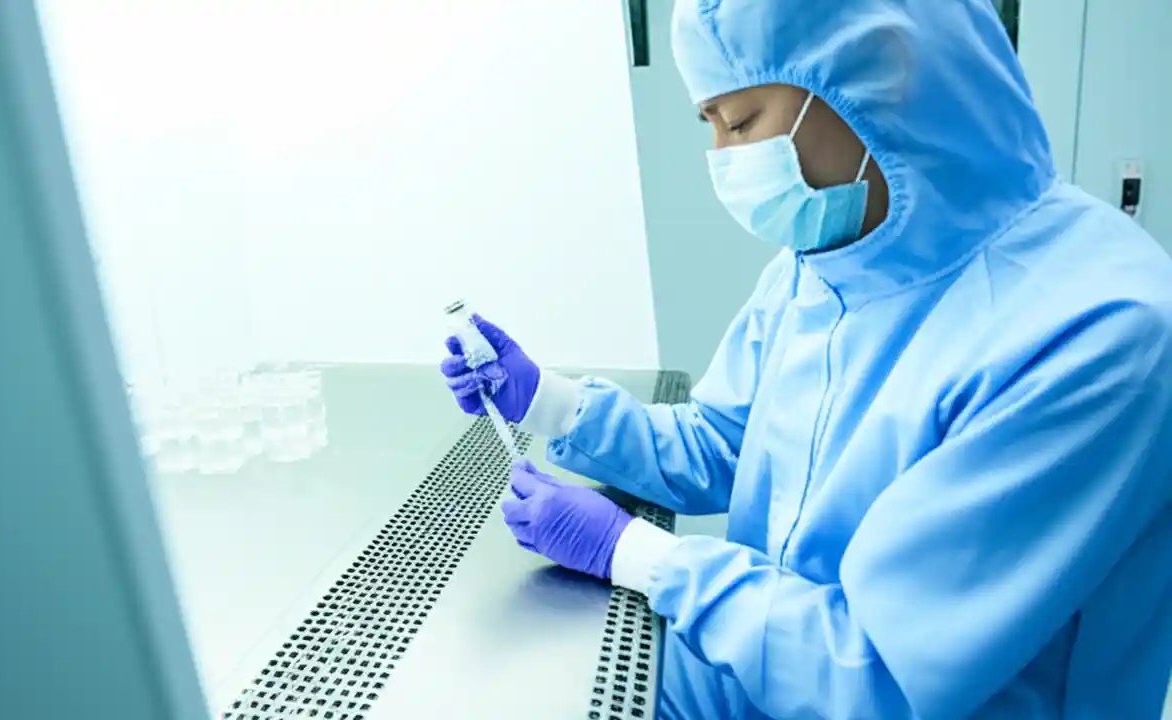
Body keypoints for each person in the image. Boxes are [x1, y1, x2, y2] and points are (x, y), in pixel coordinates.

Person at [441, 0, 1172, 717]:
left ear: (884, 71)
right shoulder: (830, 262)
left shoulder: (1098, 331)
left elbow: (880, 674)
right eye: (711, 125)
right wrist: (547, 401)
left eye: (743, 121)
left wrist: (633, 553)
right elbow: (724, 442)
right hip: (774, 672)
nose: (726, 161)